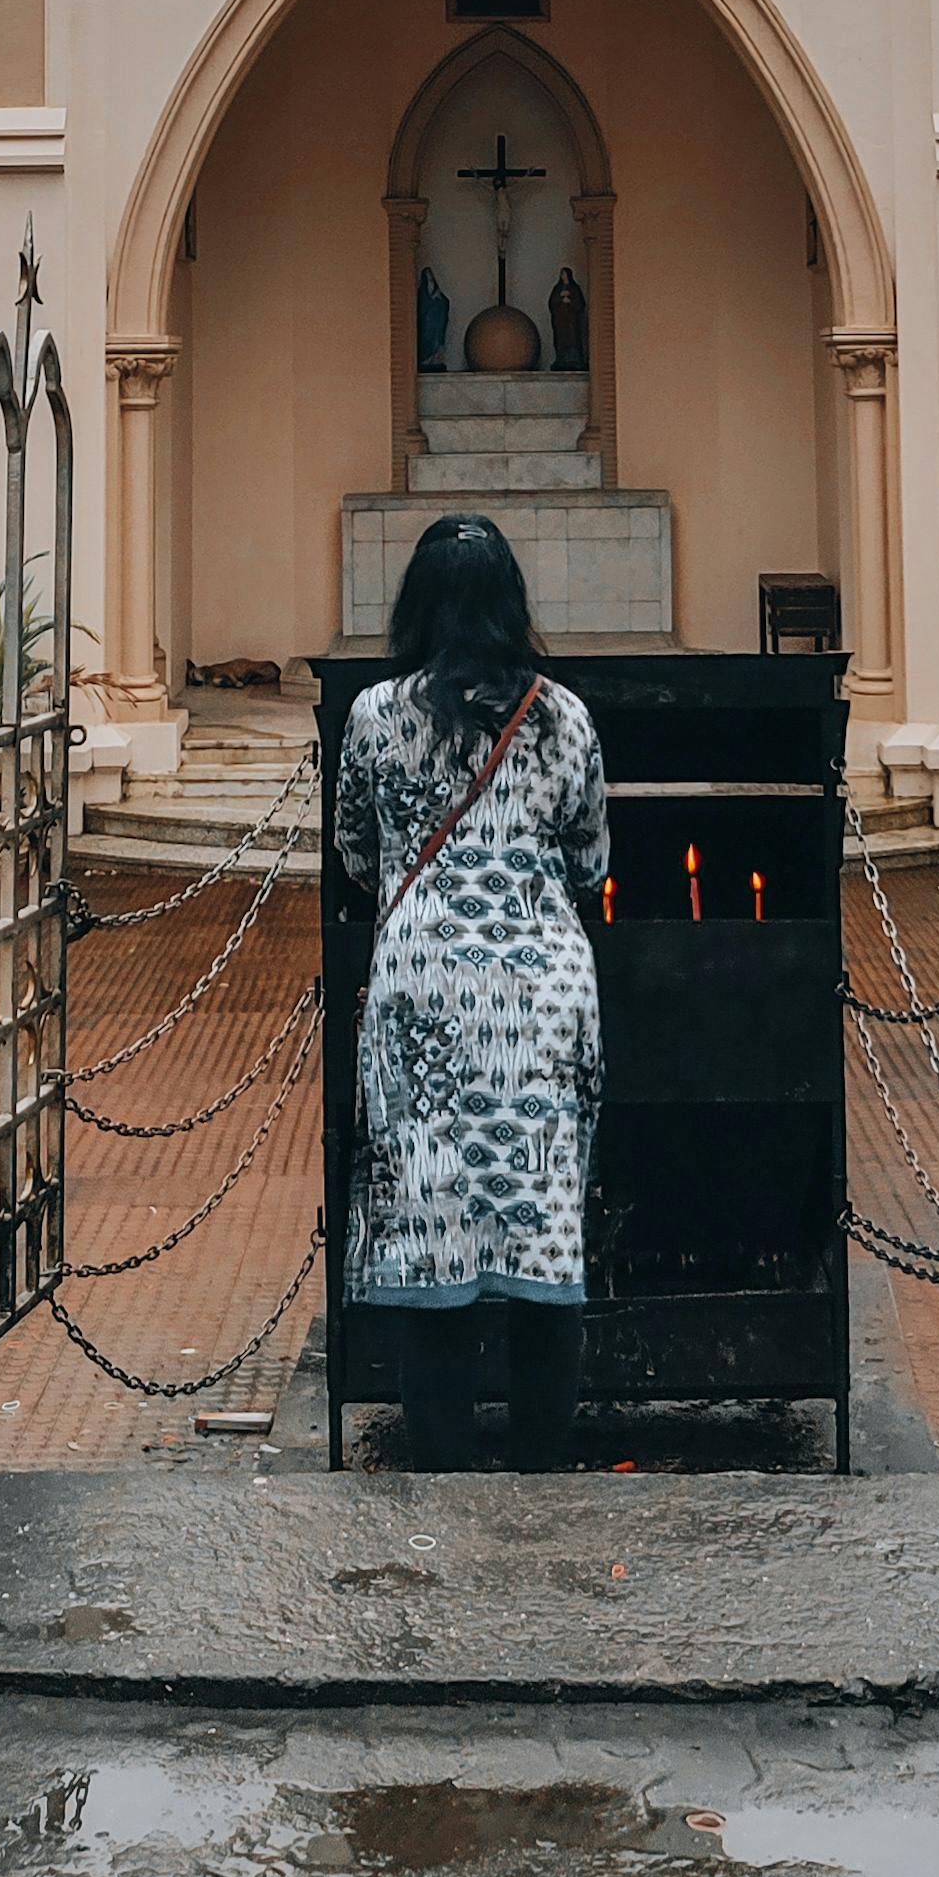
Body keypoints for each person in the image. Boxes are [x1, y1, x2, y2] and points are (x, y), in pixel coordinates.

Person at [335, 514, 609, 1471]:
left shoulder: (374, 715)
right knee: (542, 1230)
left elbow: (356, 852)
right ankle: (538, 1463)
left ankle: (443, 1466)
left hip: (421, 993)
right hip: (544, 990)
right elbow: (590, 855)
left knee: (429, 1231)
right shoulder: (563, 717)